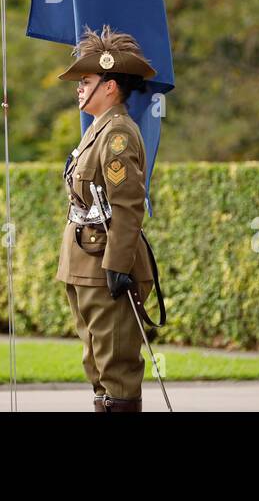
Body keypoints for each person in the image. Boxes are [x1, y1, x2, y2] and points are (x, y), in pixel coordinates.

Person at [55, 24, 161, 412]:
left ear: (110, 86)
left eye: (86, 81)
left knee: (116, 370)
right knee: (97, 366)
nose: (79, 88)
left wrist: (117, 265)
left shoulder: (117, 134)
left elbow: (128, 206)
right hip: (85, 263)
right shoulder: (96, 132)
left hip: (105, 267)